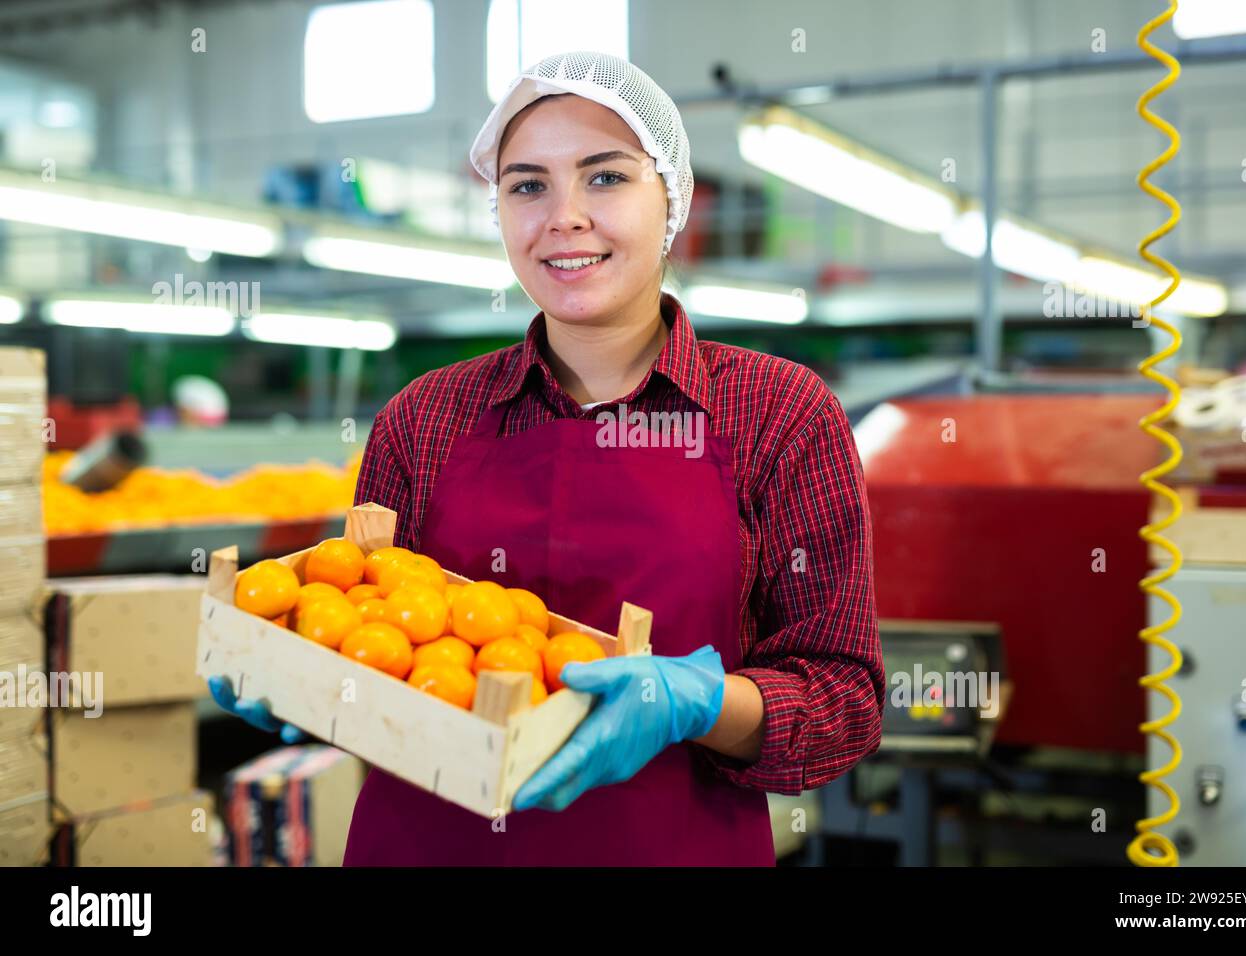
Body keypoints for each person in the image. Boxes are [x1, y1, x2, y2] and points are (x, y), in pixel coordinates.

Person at [216, 51, 884, 866]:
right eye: (527, 185)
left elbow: (843, 701)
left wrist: (700, 705)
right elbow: (367, 632)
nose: (563, 216)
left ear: (671, 198)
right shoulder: (420, 420)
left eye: (605, 178)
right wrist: (302, 676)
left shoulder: (780, 415)